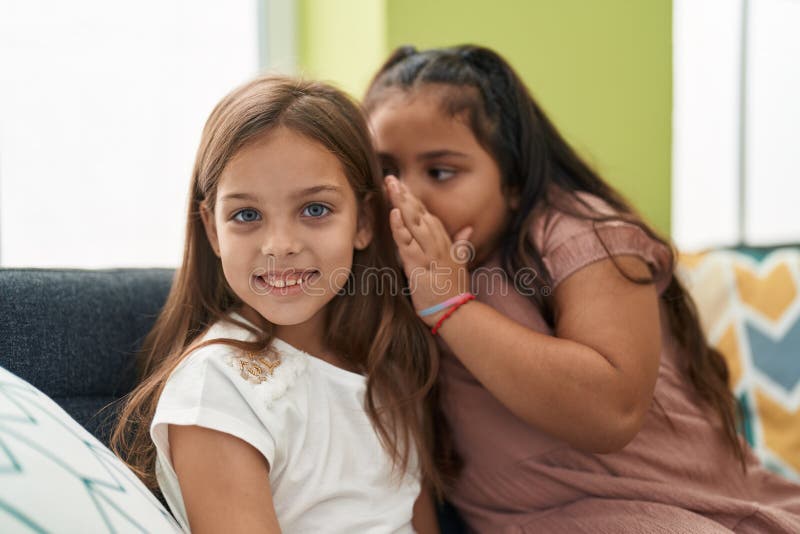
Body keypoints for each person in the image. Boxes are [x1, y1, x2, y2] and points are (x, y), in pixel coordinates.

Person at [364, 44, 800, 533]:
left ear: (512, 181)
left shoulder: (577, 233)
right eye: (385, 174)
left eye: (441, 172)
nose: (407, 197)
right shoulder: (385, 285)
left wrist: (449, 306)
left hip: (678, 512)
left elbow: (611, 413)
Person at [111, 75, 441, 533]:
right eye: (246, 215)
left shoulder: (388, 363)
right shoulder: (218, 388)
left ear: (363, 221)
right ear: (212, 230)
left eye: (315, 210)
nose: (280, 244)